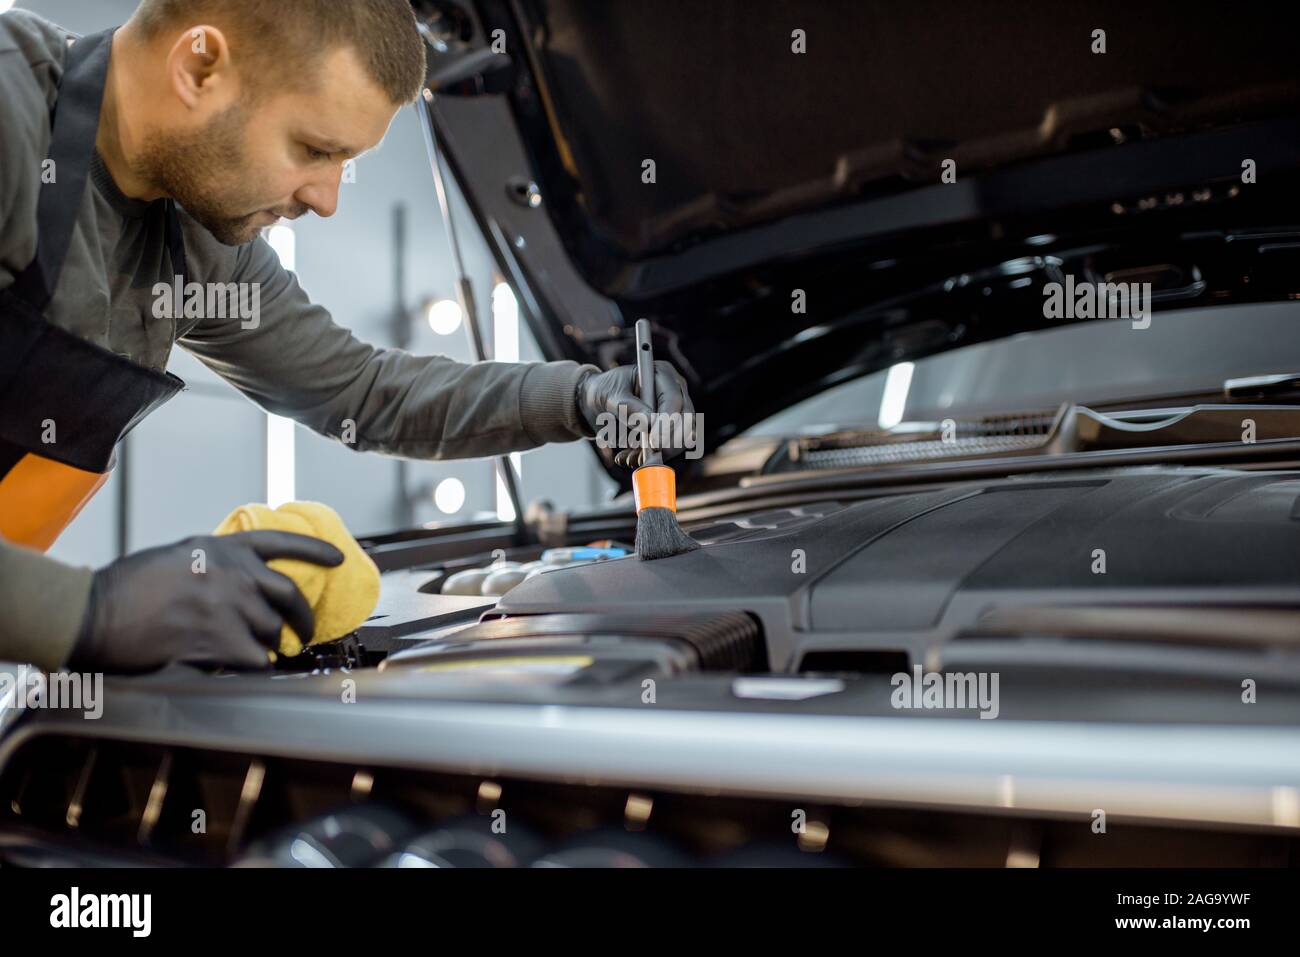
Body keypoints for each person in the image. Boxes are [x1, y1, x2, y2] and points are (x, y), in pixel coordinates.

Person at [0, 1, 693, 674]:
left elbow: (364, 390)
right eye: (313, 148)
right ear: (200, 66)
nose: (327, 200)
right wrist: (87, 613)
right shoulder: (11, 113)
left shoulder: (196, 240)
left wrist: (580, 396)